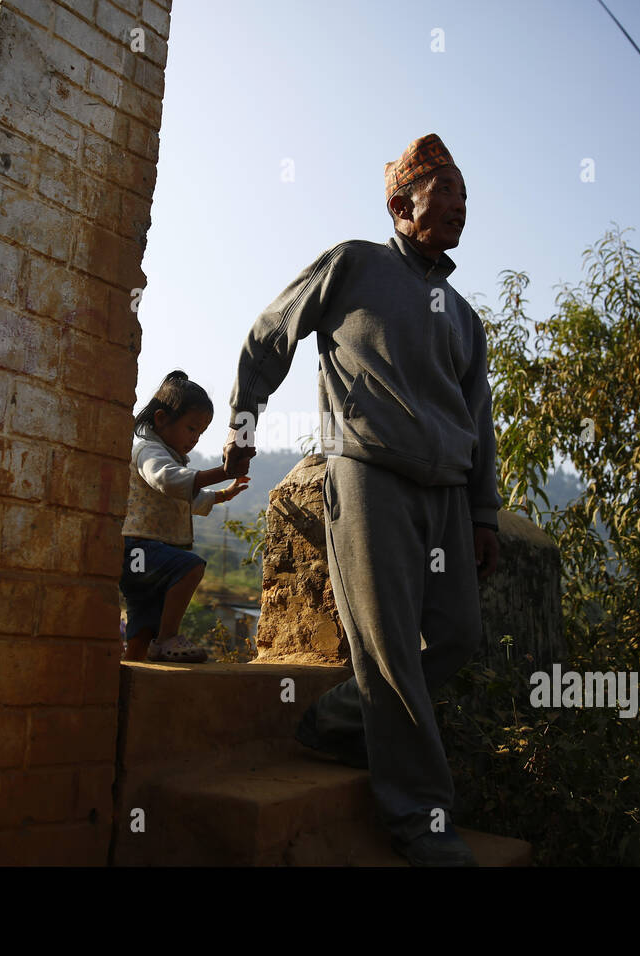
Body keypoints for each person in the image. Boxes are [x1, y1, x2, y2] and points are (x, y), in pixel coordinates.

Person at [223, 134, 501, 866]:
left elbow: (480, 420)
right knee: (389, 654)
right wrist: (245, 421)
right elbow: (269, 334)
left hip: (445, 496)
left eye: (465, 200)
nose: (460, 210)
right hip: (368, 478)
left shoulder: (465, 316)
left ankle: (333, 723)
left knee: (457, 637)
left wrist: (483, 512)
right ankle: (423, 823)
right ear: (401, 205)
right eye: (446, 195)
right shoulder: (356, 264)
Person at [120, 371, 250, 663]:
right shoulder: (149, 451)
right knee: (190, 567)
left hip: (147, 557)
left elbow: (184, 498)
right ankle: (167, 639)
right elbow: (168, 481)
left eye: (200, 433)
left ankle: (131, 673)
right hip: (139, 551)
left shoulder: (167, 454)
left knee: (143, 629)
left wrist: (223, 494)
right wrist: (223, 472)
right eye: (191, 428)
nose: (195, 439)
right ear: (162, 419)